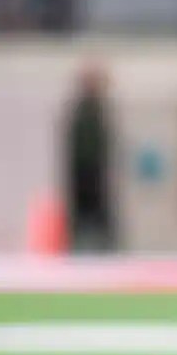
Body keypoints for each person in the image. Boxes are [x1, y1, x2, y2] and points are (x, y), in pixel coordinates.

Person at [64, 62, 117, 253]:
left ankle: (106, 248)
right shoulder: (81, 110)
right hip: (81, 171)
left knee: (100, 215)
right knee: (82, 215)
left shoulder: (101, 110)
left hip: (98, 172)